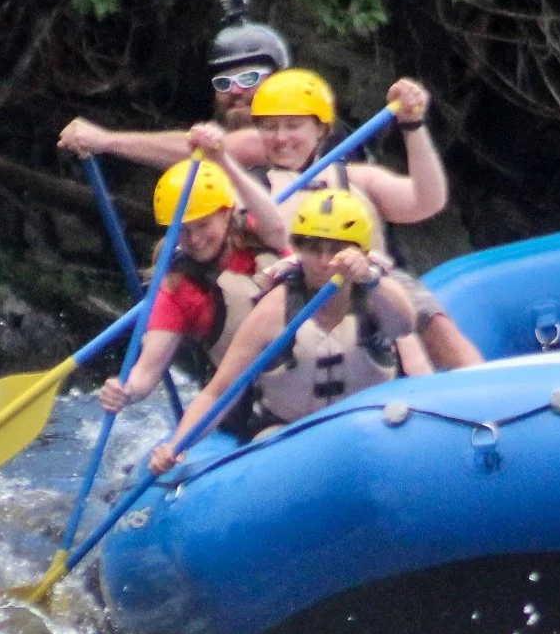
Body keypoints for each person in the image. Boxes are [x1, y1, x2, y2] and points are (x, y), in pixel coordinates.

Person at [149, 189, 416, 472]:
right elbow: (219, 392)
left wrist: (370, 279)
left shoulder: (376, 292)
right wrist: (176, 446)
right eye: (313, 248)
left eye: (336, 249)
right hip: (288, 437)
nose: (324, 261)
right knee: (267, 442)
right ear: (299, 249)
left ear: (360, 252)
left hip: (368, 428)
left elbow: (404, 324)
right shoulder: (275, 307)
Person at [242, 68, 481, 372]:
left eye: (293, 126)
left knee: (432, 318)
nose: (281, 138)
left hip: (369, 283)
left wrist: (413, 126)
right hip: (297, 294)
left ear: (320, 130)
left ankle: (483, 396)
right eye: (270, 127)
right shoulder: (249, 189)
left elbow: (427, 201)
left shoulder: (355, 178)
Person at [94, 143, 290, 413]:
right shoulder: (176, 288)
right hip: (246, 394)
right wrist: (124, 390)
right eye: (183, 231)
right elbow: (148, 370)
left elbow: (280, 231)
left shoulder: (261, 233)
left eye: (203, 225)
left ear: (227, 212)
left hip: (312, 365)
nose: (195, 240)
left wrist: (222, 157)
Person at [55, 0, 287, 170]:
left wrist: (106, 140)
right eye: (223, 83)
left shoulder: (285, 138)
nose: (234, 90)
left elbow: (218, 150)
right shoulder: (218, 152)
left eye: (248, 78)